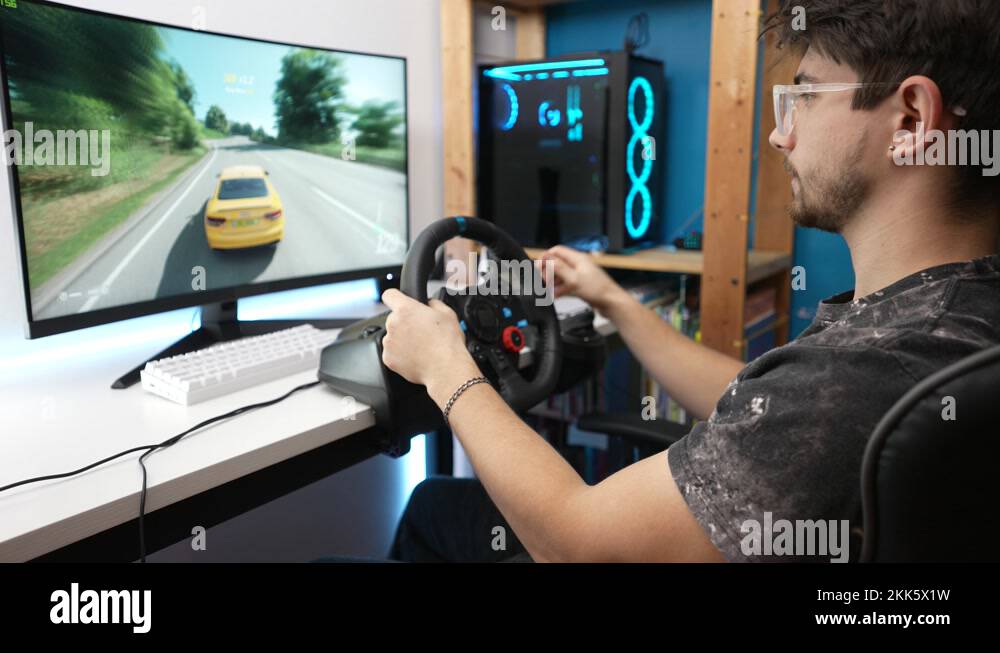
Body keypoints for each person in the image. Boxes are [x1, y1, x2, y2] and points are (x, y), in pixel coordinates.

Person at [381, 0, 1000, 562]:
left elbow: (577, 545)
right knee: (438, 501)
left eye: (804, 96)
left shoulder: (870, 367)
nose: (779, 134)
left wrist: (445, 367)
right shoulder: (947, 316)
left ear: (913, 120)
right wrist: (615, 300)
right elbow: (767, 405)